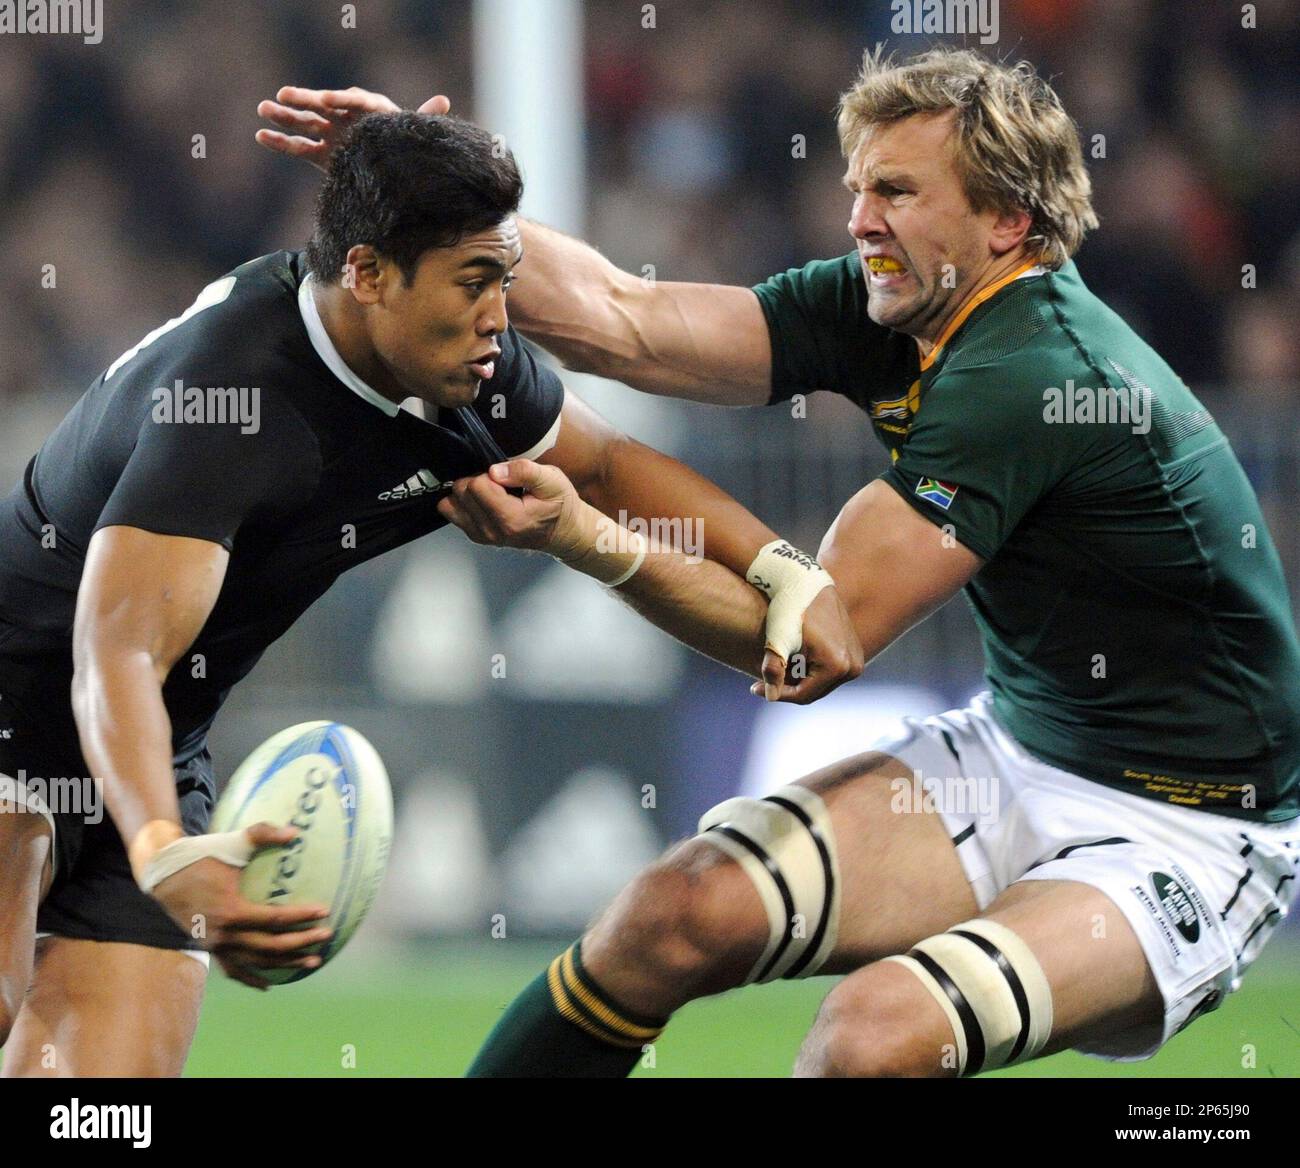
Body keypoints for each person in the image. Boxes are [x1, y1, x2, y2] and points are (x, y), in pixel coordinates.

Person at [260, 48, 1300, 1078]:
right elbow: (626, 319)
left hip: (1188, 827)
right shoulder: (891, 303)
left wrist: (581, 536)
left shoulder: (1029, 371)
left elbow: (813, 637)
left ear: (1005, 222)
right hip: (1022, 745)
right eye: (857, 188)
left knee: (874, 1036)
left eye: (895, 190)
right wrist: (432, 205)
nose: (859, 219)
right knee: (671, 917)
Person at [0, 111, 863, 1077]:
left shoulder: (467, 374)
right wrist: (162, 850)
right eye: (474, 281)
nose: (502, 315)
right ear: (368, 274)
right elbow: (112, 650)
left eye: (506, 277)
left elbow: (615, 466)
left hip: (158, 744)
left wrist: (782, 569)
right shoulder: (226, 399)